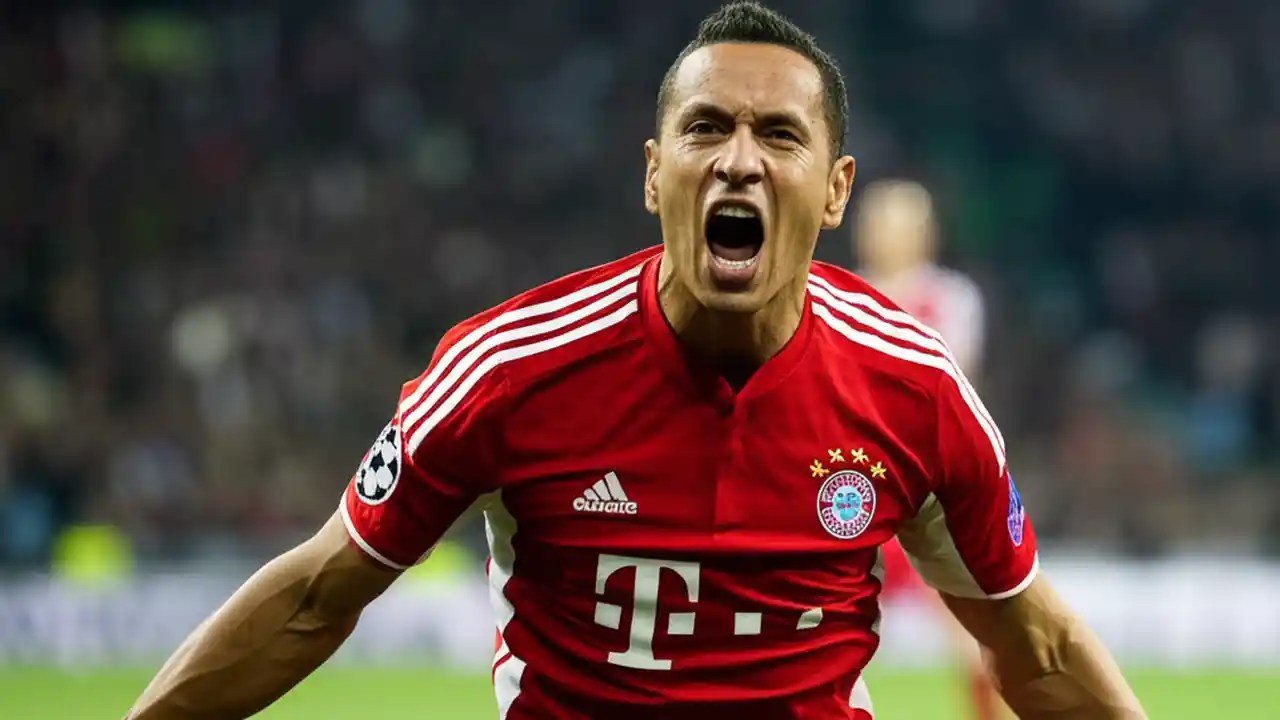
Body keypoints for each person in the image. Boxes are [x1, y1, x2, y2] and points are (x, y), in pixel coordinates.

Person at [126, 3, 1146, 718]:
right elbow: (314, 597)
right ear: (655, 175)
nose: (738, 159)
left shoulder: (914, 389)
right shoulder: (506, 373)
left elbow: (1038, 647)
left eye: (778, 135)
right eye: (706, 129)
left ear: (835, 190)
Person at [853, 179, 1003, 719]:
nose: (887, 236)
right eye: (879, 224)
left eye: (900, 225)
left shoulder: (951, 298)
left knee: (976, 630)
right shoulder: (844, 294)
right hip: (858, 484)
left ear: (926, 234)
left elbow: (952, 384)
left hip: (932, 488)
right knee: (826, 626)